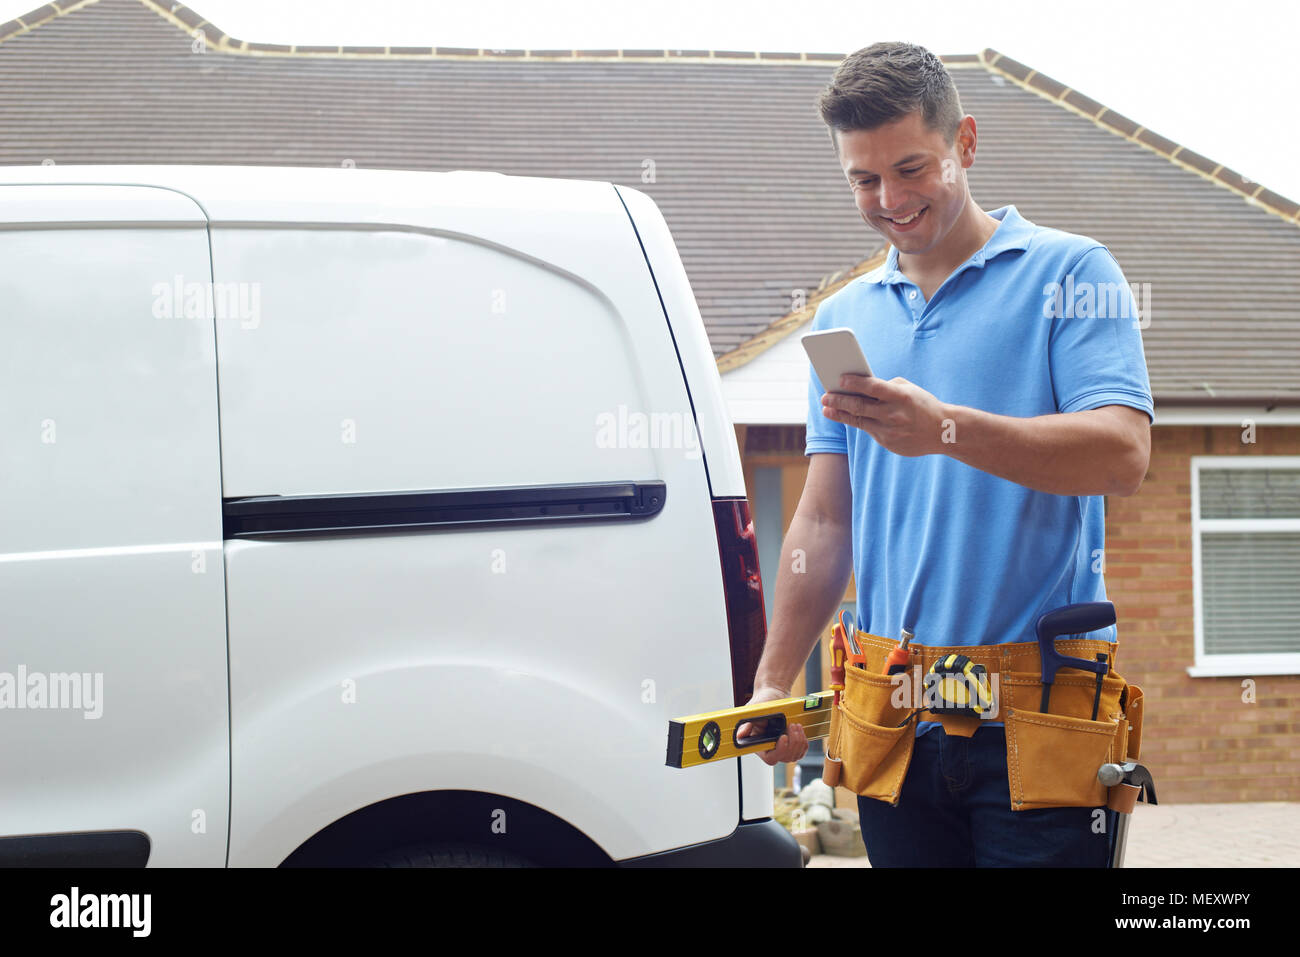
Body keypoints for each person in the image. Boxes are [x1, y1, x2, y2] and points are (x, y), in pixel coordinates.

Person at [737, 41, 1153, 867]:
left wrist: (947, 429)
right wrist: (773, 679)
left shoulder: (1070, 273)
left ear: (965, 143)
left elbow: (1122, 457)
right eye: (863, 179)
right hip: (896, 718)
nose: (889, 199)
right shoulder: (845, 316)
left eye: (910, 168)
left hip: (1037, 723)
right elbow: (823, 517)